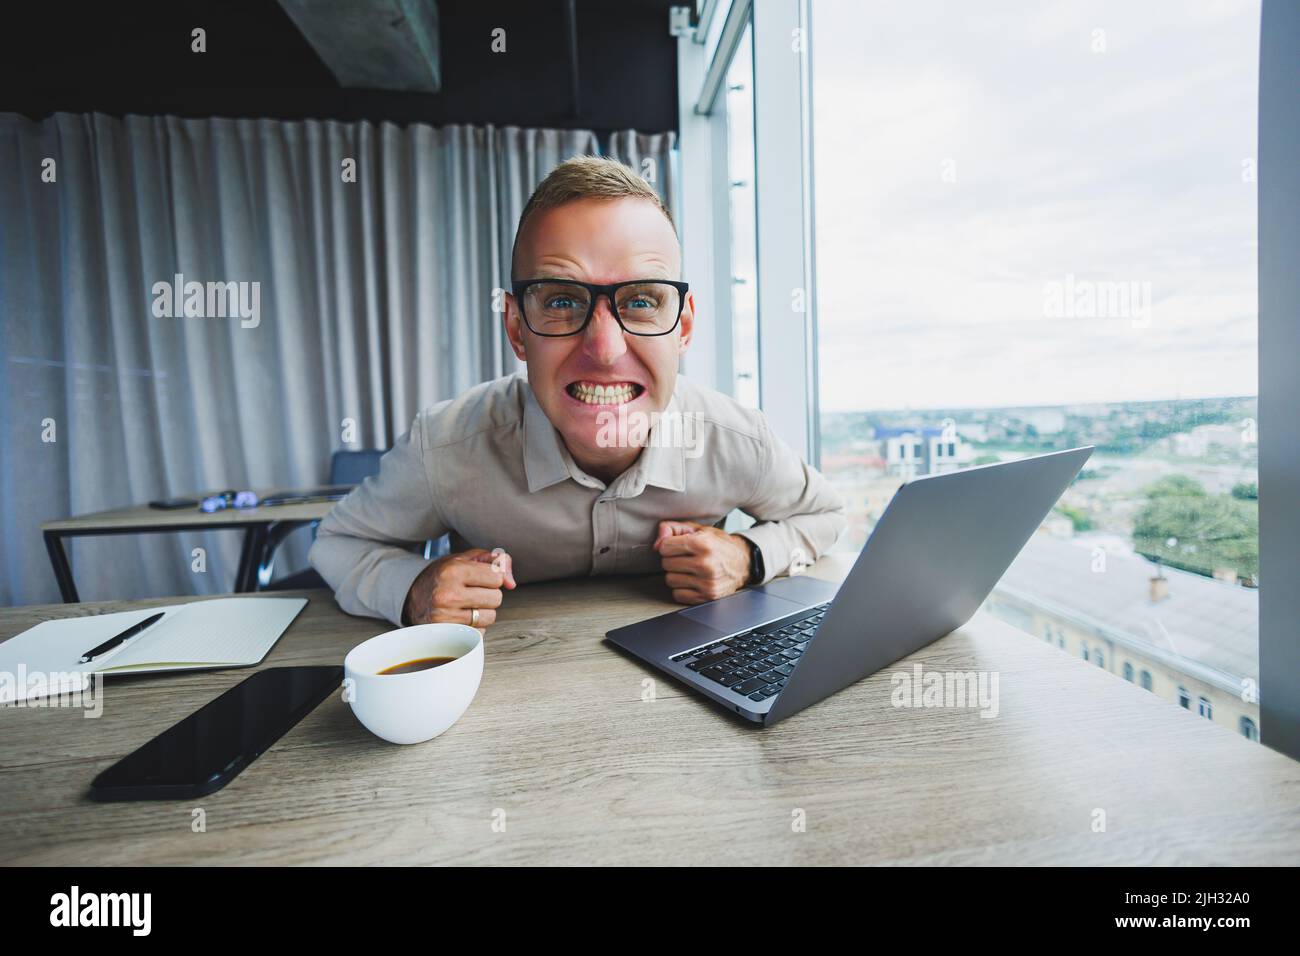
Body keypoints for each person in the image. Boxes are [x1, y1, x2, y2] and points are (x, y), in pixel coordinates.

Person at [309, 156, 846, 632]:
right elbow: (339, 543)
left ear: (682, 327)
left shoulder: (737, 440)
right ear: (517, 330)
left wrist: (750, 556)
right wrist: (413, 590)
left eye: (641, 300)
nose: (605, 349)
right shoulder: (447, 447)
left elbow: (825, 515)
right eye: (562, 301)